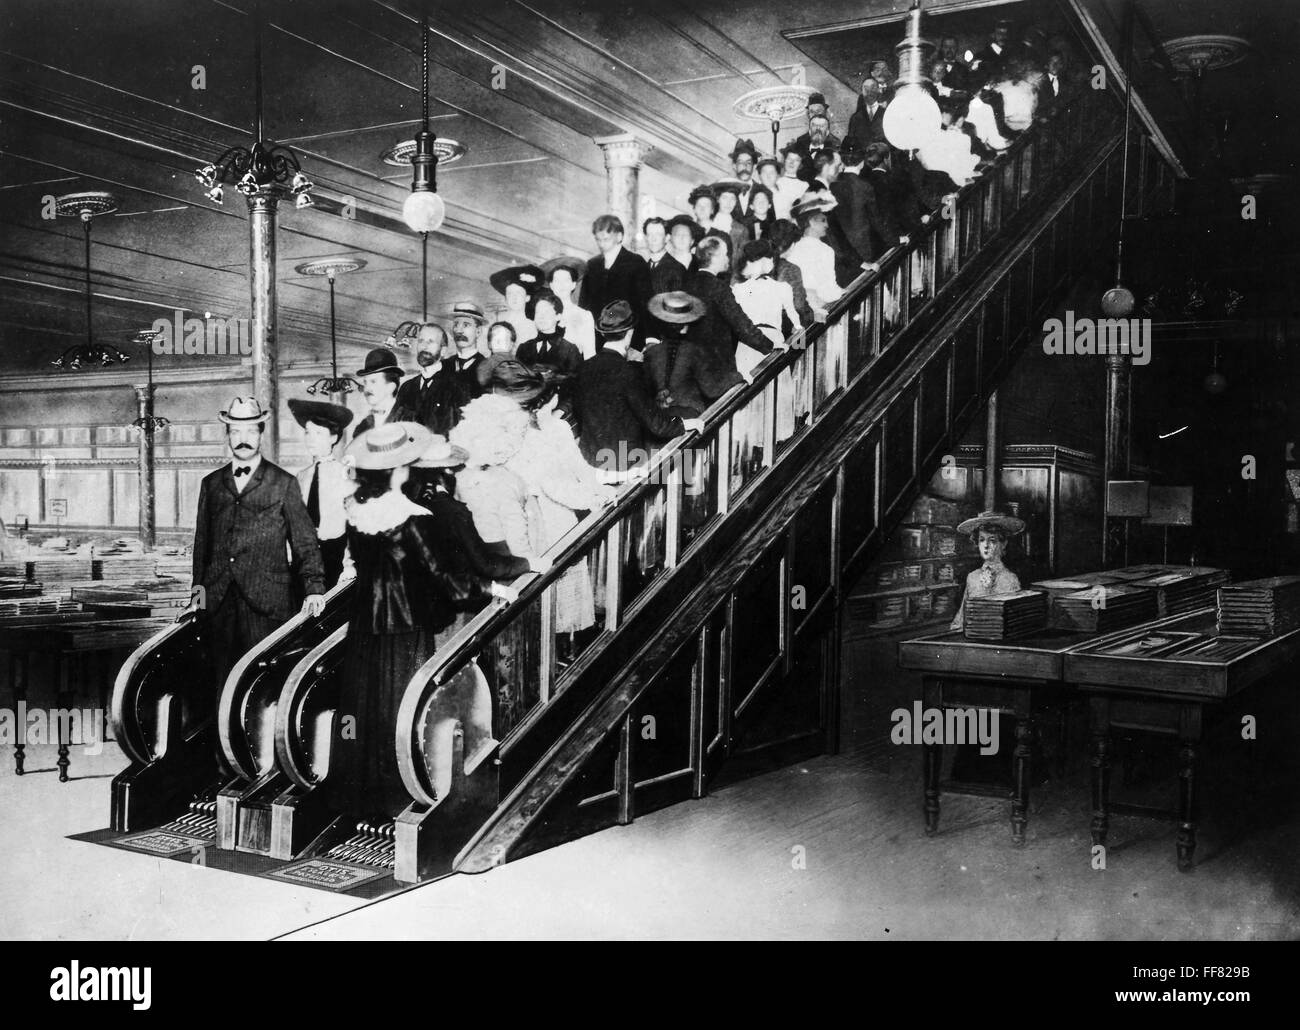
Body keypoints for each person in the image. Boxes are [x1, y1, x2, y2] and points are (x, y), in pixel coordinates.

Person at [329, 422, 498, 823]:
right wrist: (490, 587)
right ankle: (398, 796)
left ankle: (360, 800)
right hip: (404, 628)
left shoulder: (355, 510)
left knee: (365, 712)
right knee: (401, 710)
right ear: (399, 470)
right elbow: (443, 578)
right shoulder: (411, 515)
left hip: (364, 629)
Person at [183, 397, 325, 754]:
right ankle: (223, 765)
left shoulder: (283, 483)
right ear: (227, 435)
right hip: (219, 601)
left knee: (262, 687)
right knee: (220, 686)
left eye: (249, 430)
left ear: (261, 434)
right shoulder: (211, 484)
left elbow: (306, 541)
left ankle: (261, 763)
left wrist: (314, 588)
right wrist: (196, 601)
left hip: (267, 601)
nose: (242, 437)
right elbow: (203, 548)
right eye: (235, 430)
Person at [494, 361, 615, 655]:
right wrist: (592, 499)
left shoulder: (559, 428)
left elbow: (581, 469)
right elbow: (551, 485)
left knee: (562, 606)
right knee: (542, 600)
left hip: (560, 520)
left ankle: (559, 660)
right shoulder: (520, 435)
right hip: (538, 522)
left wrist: (604, 486)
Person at [404, 434, 546, 643]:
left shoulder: (411, 502)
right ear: (447, 472)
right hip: (453, 609)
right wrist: (529, 563)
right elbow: (485, 565)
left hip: (416, 608)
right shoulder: (454, 512)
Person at [575, 301, 702, 473]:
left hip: (589, 461)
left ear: (604, 333)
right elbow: (657, 425)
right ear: (629, 334)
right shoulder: (629, 372)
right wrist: (685, 424)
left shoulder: (584, 367)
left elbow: (580, 414)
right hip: (624, 464)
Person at [683, 234, 776, 377]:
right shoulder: (719, 287)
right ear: (715, 257)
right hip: (716, 365)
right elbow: (741, 325)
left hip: (690, 365)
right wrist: (771, 346)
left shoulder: (687, 284)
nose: (728, 258)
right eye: (726, 254)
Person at [644, 291, 745, 418]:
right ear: (686, 323)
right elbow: (711, 390)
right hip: (689, 415)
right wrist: (739, 376)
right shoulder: (694, 351)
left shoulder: (650, 353)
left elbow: (647, 393)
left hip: (660, 419)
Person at [288, 398, 356, 588]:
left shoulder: (345, 475)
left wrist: (349, 565)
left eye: (318, 433)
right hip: (305, 561)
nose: (310, 438)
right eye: (308, 432)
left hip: (335, 559)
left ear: (333, 437)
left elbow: (355, 525)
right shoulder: (300, 477)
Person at [579, 214, 653, 354]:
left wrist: (638, 344)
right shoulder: (592, 265)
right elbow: (585, 304)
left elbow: (644, 306)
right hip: (595, 340)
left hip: (627, 340)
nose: (601, 244)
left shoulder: (635, 263)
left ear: (619, 236)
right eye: (598, 239)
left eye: (606, 239)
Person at [949, 510, 1025, 631]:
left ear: (1003, 543)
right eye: (982, 540)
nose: (986, 545)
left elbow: (1015, 622)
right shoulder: (972, 577)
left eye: (992, 540)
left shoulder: (1010, 578)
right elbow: (961, 618)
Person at [831, 137, 883, 283]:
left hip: (839, 252)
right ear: (862, 162)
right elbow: (877, 221)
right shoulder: (865, 187)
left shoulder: (831, 185)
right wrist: (895, 239)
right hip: (862, 249)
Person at [395, 322, 458, 434]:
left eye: (430, 342)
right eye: (421, 341)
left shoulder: (455, 387)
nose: (424, 346)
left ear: (443, 350)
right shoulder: (406, 388)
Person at [786, 194, 844, 310]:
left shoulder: (793, 249)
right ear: (811, 222)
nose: (826, 225)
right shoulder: (825, 250)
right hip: (824, 306)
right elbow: (828, 287)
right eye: (822, 220)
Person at [352, 347, 415, 438]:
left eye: (373, 382)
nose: (367, 388)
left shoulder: (410, 420)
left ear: (391, 387)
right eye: (365, 382)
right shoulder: (362, 427)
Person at [541, 256, 595, 360]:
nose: (562, 285)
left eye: (566, 280)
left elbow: (590, 353)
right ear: (551, 285)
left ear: (573, 285)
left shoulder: (584, 315)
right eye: (557, 280)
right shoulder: (541, 313)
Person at [643, 216, 687, 344]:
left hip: (665, 341)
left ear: (667, 238)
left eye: (658, 234)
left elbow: (679, 314)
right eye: (649, 234)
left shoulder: (677, 269)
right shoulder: (642, 269)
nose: (653, 239)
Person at [768, 218, 816, 325]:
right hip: (788, 328)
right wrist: (812, 314)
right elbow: (799, 306)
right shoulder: (791, 269)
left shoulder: (761, 263)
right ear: (792, 244)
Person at [446, 301, 489, 410]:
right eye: (456, 324)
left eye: (466, 325)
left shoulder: (487, 368)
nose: (459, 330)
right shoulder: (443, 367)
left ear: (478, 332)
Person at [489, 264, 543, 346]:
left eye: (518, 293)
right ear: (505, 298)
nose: (514, 297)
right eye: (510, 293)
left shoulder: (532, 328)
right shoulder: (497, 324)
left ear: (527, 297)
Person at [475, 320, 518, 390]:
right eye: (495, 338)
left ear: (512, 345)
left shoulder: (520, 373)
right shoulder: (478, 370)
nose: (499, 342)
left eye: (504, 339)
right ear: (489, 344)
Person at [847, 77, 888, 146]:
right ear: (862, 92)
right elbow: (850, 143)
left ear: (878, 90)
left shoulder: (886, 115)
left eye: (872, 88)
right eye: (866, 88)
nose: (869, 92)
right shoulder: (855, 118)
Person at [728, 138, 760, 214]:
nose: (744, 167)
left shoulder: (762, 191)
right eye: (740, 162)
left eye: (748, 163)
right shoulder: (725, 191)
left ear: (754, 166)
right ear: (734, 166)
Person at [773, 149, 808, 220]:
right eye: (789, 159)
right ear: (784, 160)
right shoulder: (775, 182)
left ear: (800, 164)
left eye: (796, 160)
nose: (792, 162)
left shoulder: (805, 186)